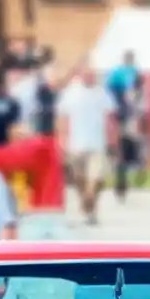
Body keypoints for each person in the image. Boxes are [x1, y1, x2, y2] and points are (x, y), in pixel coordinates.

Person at [57, 68, 114, 224]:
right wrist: (62, 140)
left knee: (96, 179)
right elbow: (63, 118)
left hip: (97, 144)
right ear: (81, 75)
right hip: (75, 145)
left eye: (92, 74)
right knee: (79, 179)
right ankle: (87, 203)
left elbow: (109, 119)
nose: (90, 77)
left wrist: (112, 141)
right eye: (87, 74)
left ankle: (90, 203)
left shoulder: (102, 94)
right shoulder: (70, 94)